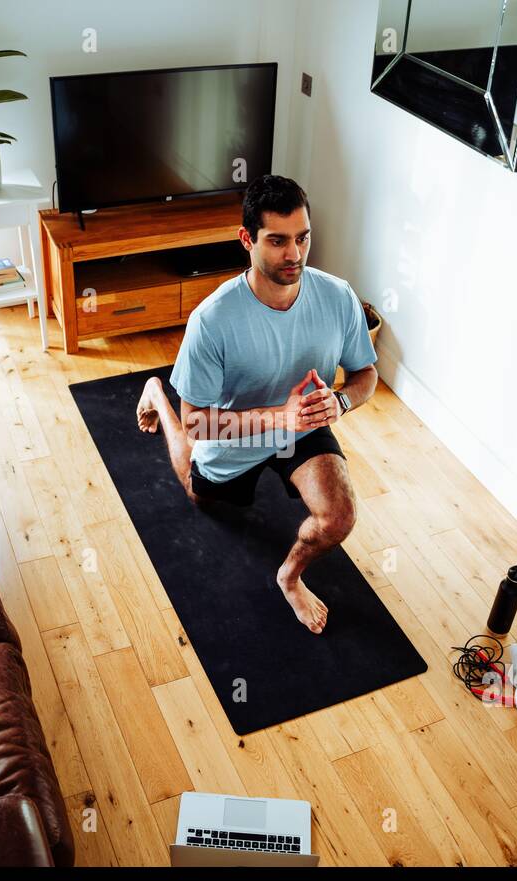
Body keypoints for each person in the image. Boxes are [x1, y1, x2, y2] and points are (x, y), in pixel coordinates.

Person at [135, 174, 379, 634]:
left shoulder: (338, 296)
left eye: (303, 238)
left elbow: (367, 375)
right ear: (247, 239)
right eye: (278, 241)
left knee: (339, 516)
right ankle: (155, 392)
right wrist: (275, 417)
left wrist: (342, 401)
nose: (295, 254)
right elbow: (197, 425)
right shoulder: (211, 320)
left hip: (303, 424)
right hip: (232, 437)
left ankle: (289, 577)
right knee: (196, 490)